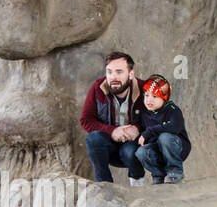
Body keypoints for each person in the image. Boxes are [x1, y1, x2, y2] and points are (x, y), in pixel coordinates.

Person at [80, 51, 146, 185]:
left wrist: (137, 128)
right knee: (93, 139)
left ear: (131, 73)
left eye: (119, 72)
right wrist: (112, 131)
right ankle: (105, 187)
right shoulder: (98, 88)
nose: (113, 77)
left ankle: (138, 187)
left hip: (132, 147)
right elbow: (86, 120)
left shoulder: (144, 89)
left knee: (130, 151)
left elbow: (157, 117)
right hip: (108, 145)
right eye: (109, 72)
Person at [135, 75, 192, 184]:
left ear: (164, 98)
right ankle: (158, 175)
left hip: (177, 147)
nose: (149, 99)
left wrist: (149, 132)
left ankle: (175, 172)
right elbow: (140, 130)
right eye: (146, 95)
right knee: (141, 152)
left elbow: (174, 127)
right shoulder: (144, 113)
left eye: (155, 96)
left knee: (164, 137)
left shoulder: (172, 110)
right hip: (158, 148)